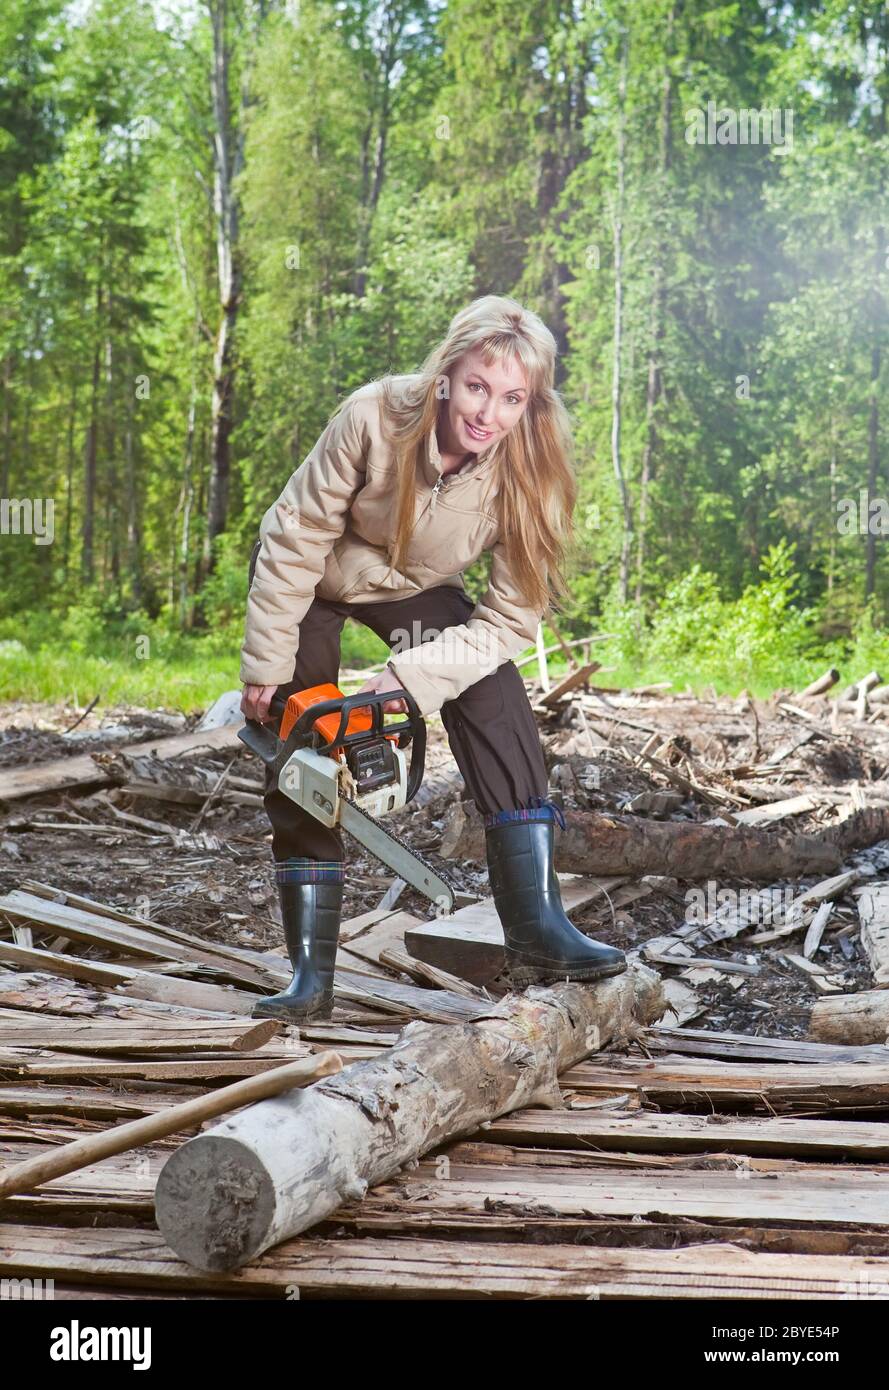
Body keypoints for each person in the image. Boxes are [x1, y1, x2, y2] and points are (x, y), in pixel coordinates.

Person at [240, 294, 627, 1021]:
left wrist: (409, 679)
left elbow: (512, 617)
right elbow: (293, 538)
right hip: (316, 575)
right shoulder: (372, 416)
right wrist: (265, 665)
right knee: (303, 740)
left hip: (415, 589)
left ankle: (536, 927)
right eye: (478, 386)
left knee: (494, 693)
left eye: (511, 397)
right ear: (447, 373)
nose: (488, 412)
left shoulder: (530, 468)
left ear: (529, 402)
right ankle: (308, 978)